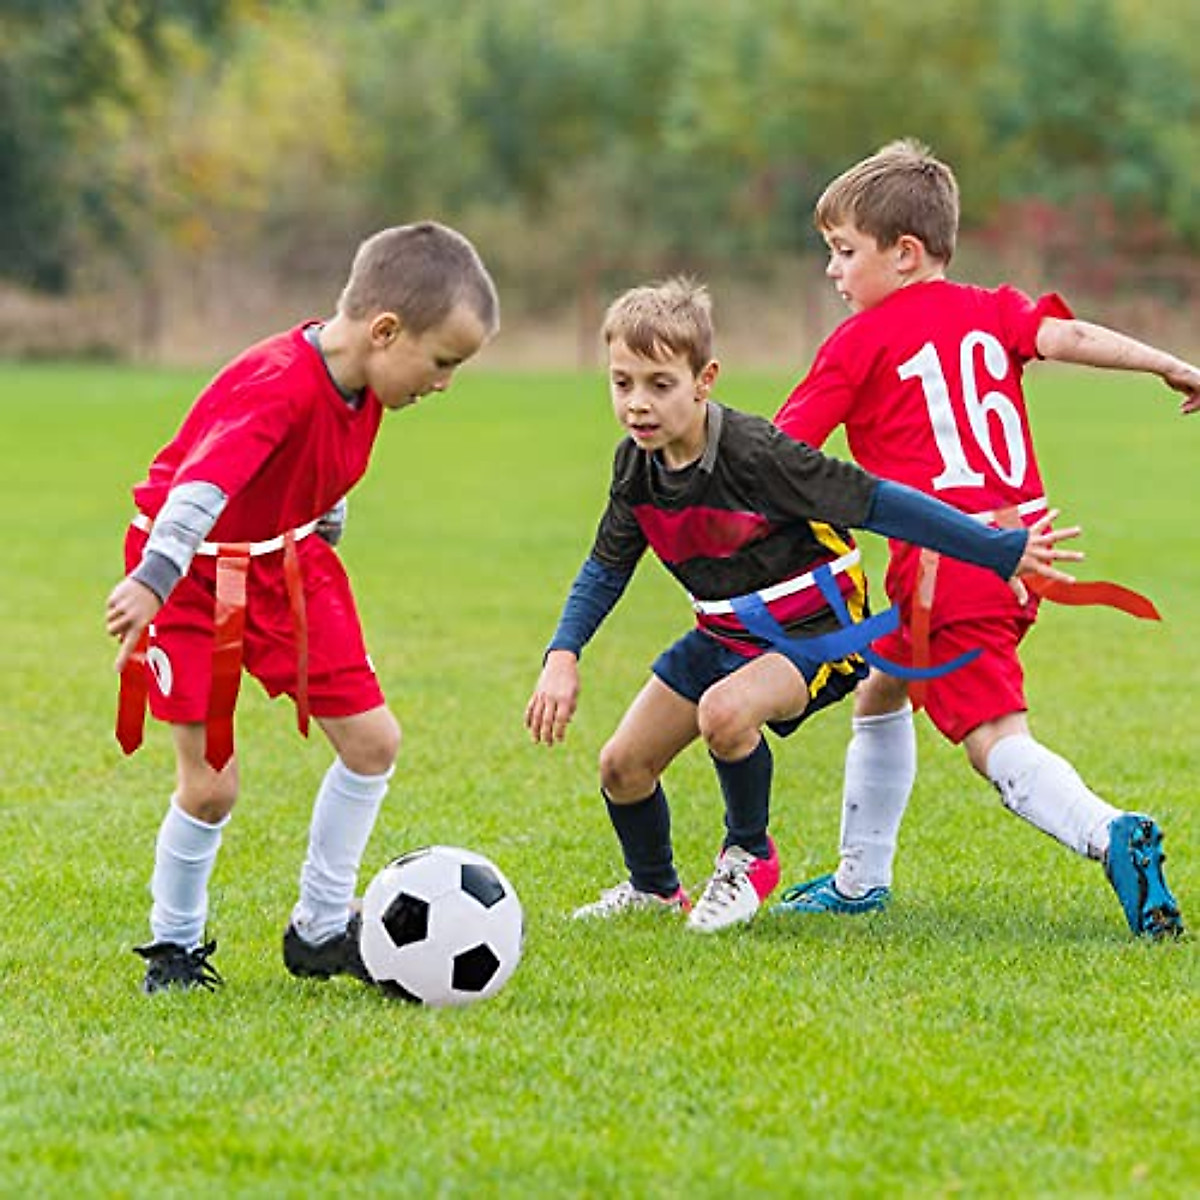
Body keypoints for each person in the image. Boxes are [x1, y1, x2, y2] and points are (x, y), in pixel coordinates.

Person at [525, 277, 1081, 933]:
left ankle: (748, 856)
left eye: (659, 384)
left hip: (818, 631)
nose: (637, 405)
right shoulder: (635, 467)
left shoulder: (757, 456)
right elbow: (606, 566)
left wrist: (995, 548)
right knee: (622, 767)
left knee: (724, 713)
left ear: (704, 379)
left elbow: (881, 503)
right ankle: (654, 889)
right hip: (726, 634)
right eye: (623, 384)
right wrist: (563, 653)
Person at [773, 139, 1197, 938]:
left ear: (903, 254)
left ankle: (1111, 835)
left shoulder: (858, 343)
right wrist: (1169, 364)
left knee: (994, 740)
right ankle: (862, 880)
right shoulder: (992, 308)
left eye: (842, 251)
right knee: (883, 684)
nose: (832, 271)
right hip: (1018, 551)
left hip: (948, 565)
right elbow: (1068, 339)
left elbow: (783, 451)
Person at [105, 221, 499, 993]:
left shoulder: (366, 381)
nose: (445, 382)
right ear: (386, 331)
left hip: (285, 567)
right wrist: (154, 578)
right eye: (443, 361)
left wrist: (325, 520)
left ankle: (321, 928)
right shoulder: (277, 382)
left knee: (372, 743)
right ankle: (174, 949)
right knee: (212, 784)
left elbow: (320, 468)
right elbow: (203, 487)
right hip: (189, 577)